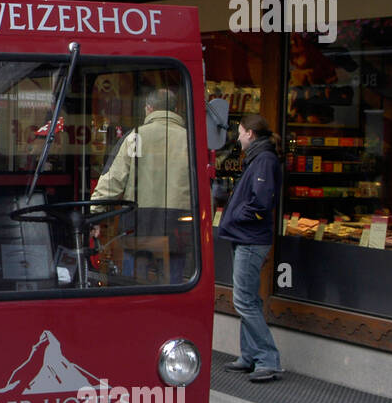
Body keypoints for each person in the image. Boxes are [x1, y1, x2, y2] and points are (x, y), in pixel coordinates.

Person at [91, 87, 193, 281]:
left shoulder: (134, 137)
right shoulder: (189, 141)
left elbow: (112, 182)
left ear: (148, 108)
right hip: (177, 227)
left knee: (135, 289)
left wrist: (94, 215)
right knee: (173, 290)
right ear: (175, 110)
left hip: (138, 225)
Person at [218, 113, 284, 382]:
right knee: (248, 299)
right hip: (247, 236)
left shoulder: (263, 161)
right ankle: (250, 356)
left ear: (251, 135)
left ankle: (268, 358)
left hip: (250, 239)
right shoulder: (259, 159)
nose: (238, 137)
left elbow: (261, 202)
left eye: (241, 132)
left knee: (244, 300)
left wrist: (235, 216)